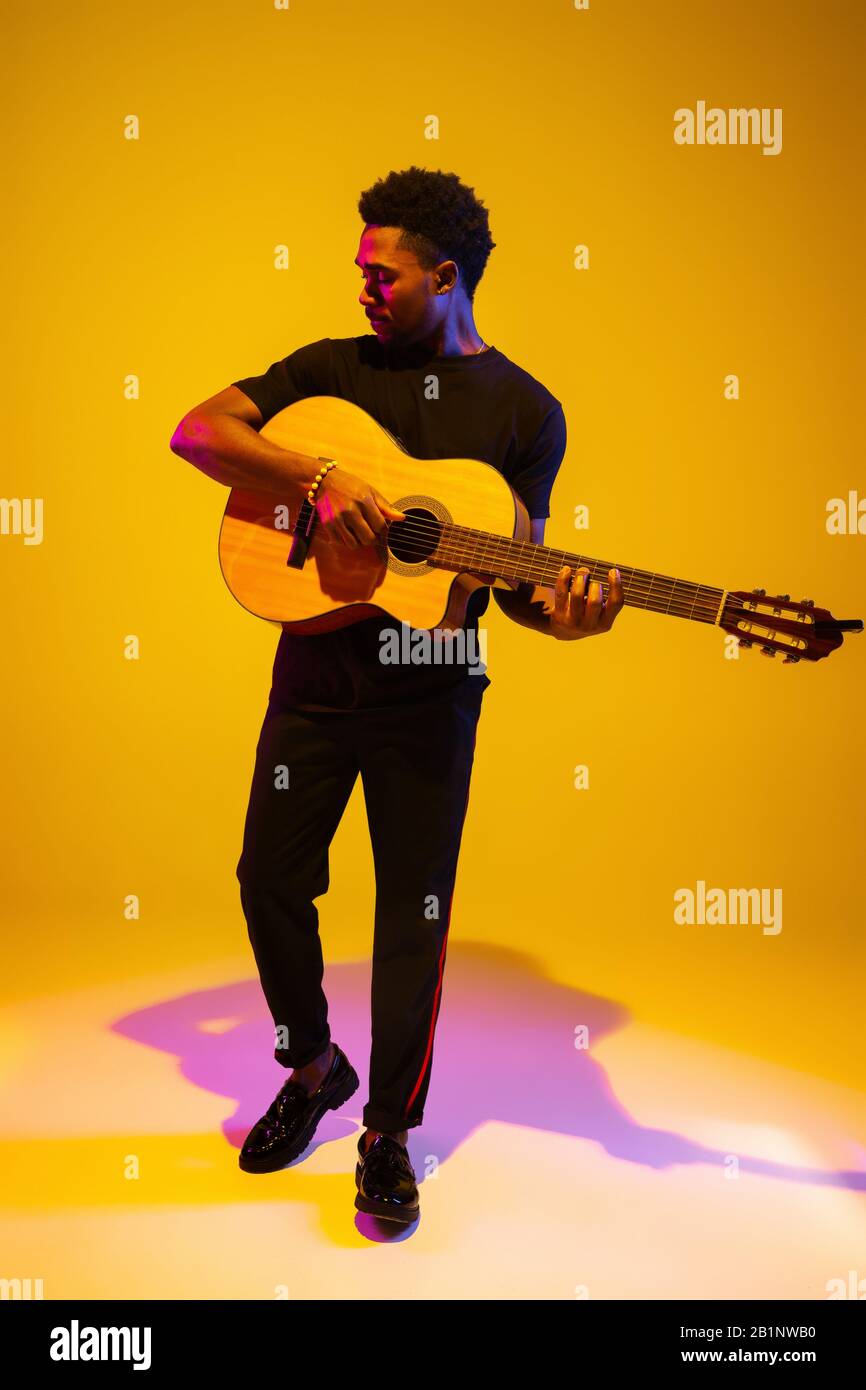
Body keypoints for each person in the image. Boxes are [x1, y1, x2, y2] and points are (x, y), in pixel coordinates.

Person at [170, 166, 623, 1226]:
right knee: (267, 878)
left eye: (384, 273)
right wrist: (320, 482)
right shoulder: (327, 375)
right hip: (314, 684)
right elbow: (197, 433)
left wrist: (573, 614)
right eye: (361, 269)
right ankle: (314, 1063)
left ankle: (388, 1131)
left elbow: (518, 587)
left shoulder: (524, 411)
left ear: (446, 275)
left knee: (410, 918)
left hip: (431, 695)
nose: (363, 286)